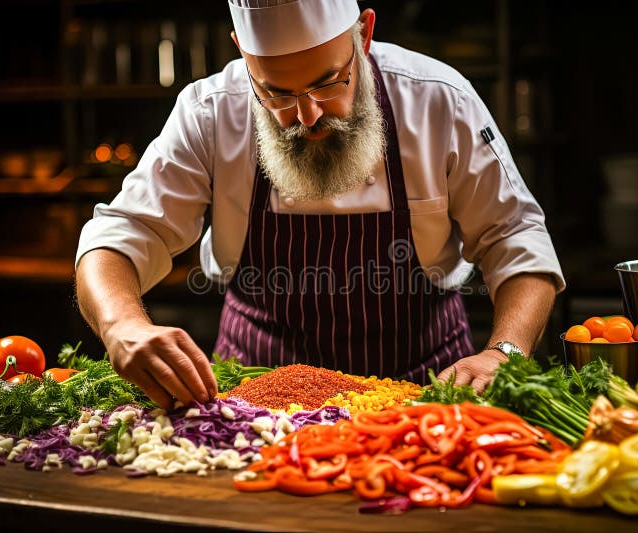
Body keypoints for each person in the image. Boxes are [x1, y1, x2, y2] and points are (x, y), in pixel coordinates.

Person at [74, 0, 565, 411]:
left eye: (329, 83)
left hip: (426, 394)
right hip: (256, 400)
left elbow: (515, 237)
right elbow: (119, 235)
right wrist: (123, 325)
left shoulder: (439, 101)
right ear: (243, 53)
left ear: (364, 34)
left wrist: (504, 352)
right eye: (276, 92)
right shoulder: (210, 111)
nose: (307, 117)